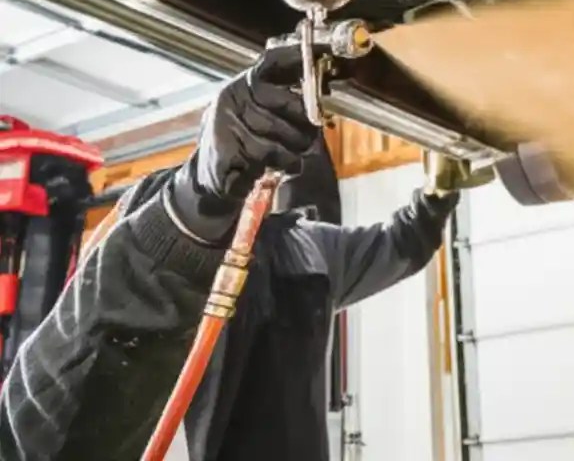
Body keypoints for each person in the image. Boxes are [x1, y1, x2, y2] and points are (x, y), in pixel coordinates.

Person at [0, 47, 458, 460]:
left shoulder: (308, 246)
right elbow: (42, 423)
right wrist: (200, 198)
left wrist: (436, 197)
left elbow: (400, 245)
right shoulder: (162, 213)